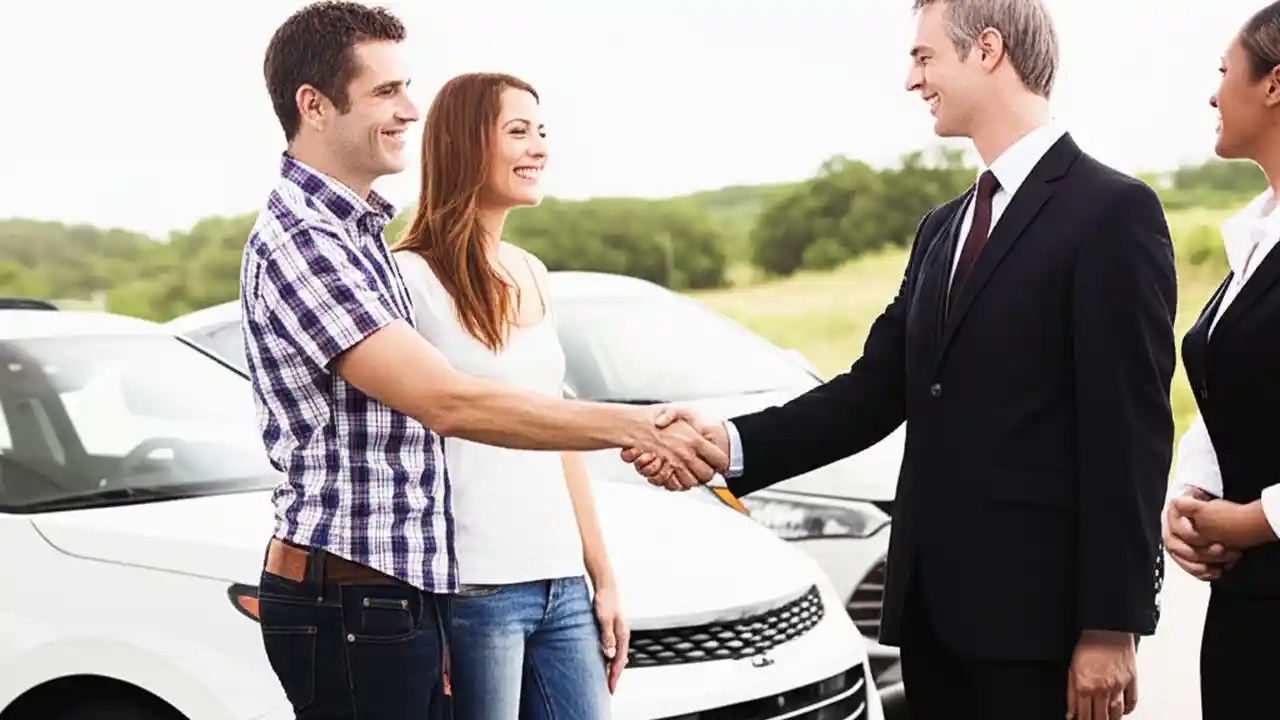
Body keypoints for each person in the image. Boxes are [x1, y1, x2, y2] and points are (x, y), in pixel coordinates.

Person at [627, 0, 1178, 718]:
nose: (912, 81)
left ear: (986, 50)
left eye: (924, 57)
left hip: (1040, 628)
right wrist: (728, 444)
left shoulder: (1113, 213)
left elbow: (1129, 437)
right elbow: (874, 390)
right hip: (930, 618)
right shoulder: (940, 228)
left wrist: (1111, 624)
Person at [240, 3, 725, 718]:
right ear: (313, 105)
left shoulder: (356, 233)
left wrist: (598, 570)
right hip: (359, 595)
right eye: (386, 91)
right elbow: (449, 404)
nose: (411, 108)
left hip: (397, 593)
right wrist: (639, 427)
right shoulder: (307, 242)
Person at [389, 72, 618, 718]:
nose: (538, 147)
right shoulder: (409, 278)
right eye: (518, 132)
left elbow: (559, 430)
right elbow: (402, 449)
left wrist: (600, 574)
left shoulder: (531, 271)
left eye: (541, 131)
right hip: (471, 590)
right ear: (464, 145)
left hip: (561, 583)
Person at [1162, 4, 1280, 718]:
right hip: (1247, 605)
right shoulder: (1255, 235)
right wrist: (1194, 496)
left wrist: (1259, 520)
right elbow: (1237, 389)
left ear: (1274, 85)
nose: (1213, 94)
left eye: (1223, 72)